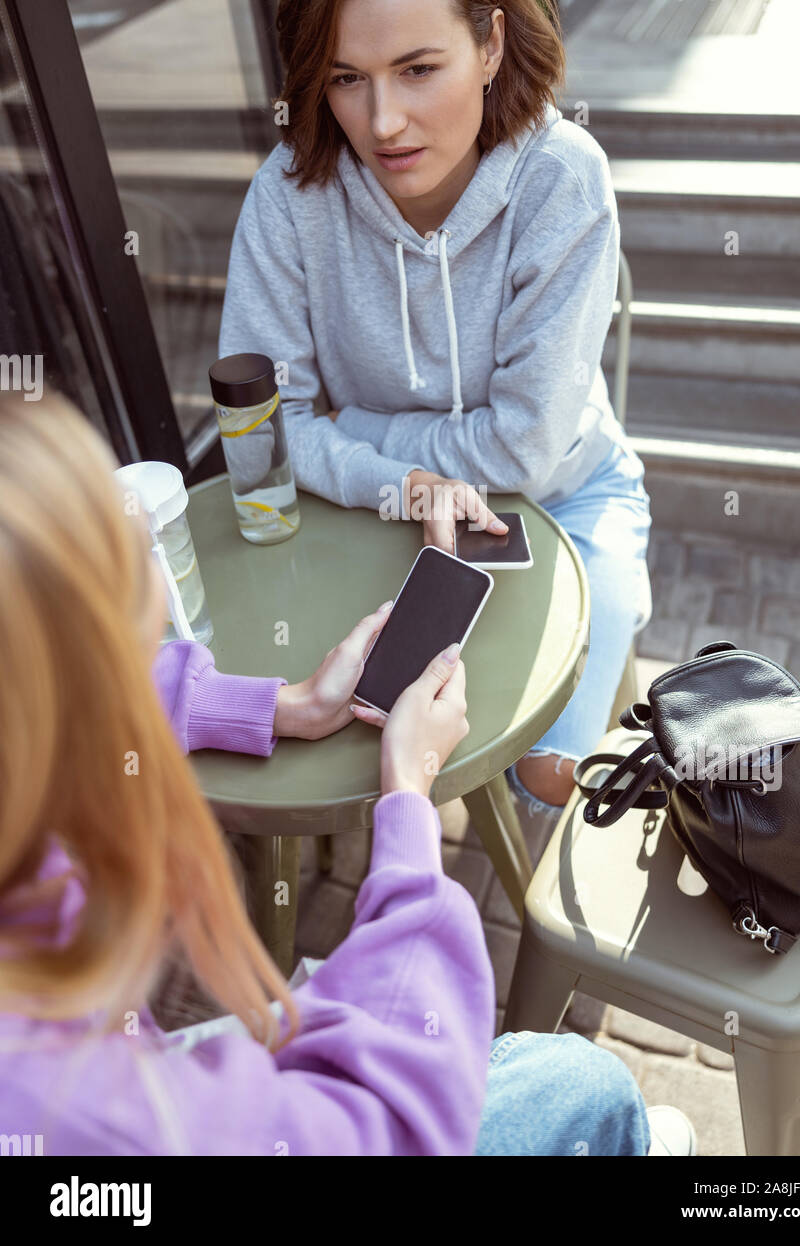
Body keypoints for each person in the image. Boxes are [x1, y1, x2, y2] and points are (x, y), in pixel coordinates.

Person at [0, 389, 695, 1155]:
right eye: (137, 636)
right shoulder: (76, 1105)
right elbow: (388, 1128)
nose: (161, 619)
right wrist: (407, 803)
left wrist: (282, 707)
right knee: (584, 1088)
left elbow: (83, 699)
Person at [218, 0, 653, 814]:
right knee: (319, 737)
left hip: (560, 507)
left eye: (419, 69)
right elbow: (264, 435)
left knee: (542, 780)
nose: (383, 122)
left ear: (492, 44)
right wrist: (397, 483)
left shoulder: (560, 183)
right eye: (346, 78)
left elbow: (526, 450)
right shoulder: (289, 201)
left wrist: (355, 425)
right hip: (363, 517)